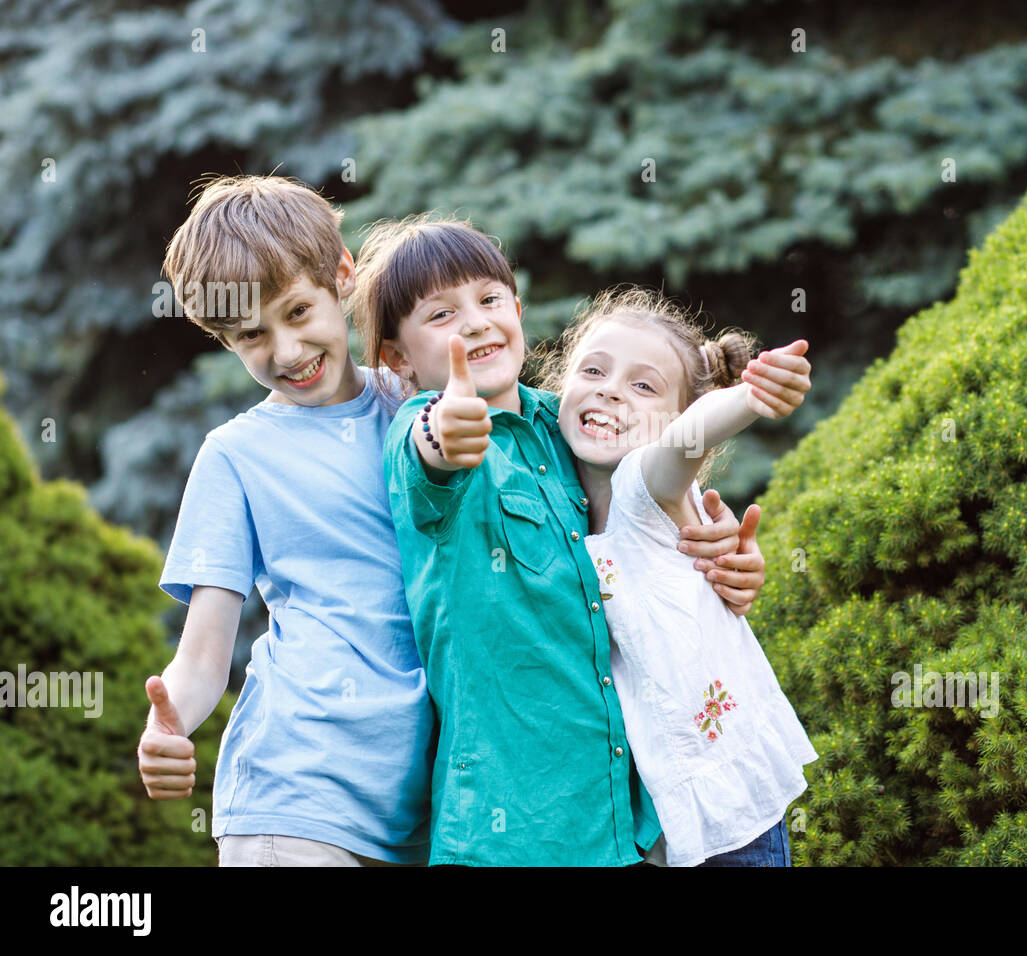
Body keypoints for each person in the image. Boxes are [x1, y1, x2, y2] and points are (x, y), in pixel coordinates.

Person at [353, 214, 768, 866]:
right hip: (506, 835)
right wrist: (445, 430)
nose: (475, 322)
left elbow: (654, 501)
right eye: (441, 315)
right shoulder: (427, 429)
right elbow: (428, 450)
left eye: (489, 300)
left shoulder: (568, 422)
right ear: (398, 358)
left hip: (623, 829)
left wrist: (722, 556)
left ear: (517, 310)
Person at [135, 174, 434, 866]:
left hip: (431, 803)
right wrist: (169, 720)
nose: (287, 353)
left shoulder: (422, 410)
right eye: (251, 336)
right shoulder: (236, 457)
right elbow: (206, 652)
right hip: (296, 800)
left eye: (298, 312)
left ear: (342, 276)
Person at [540, 287, 819, 867]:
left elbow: (685, 440)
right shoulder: (550, 499)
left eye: (644, 386)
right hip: (654, 820)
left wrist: (749, 398)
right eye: (593, 370)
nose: (611, 389)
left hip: (728, 815)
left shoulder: (642, 488)